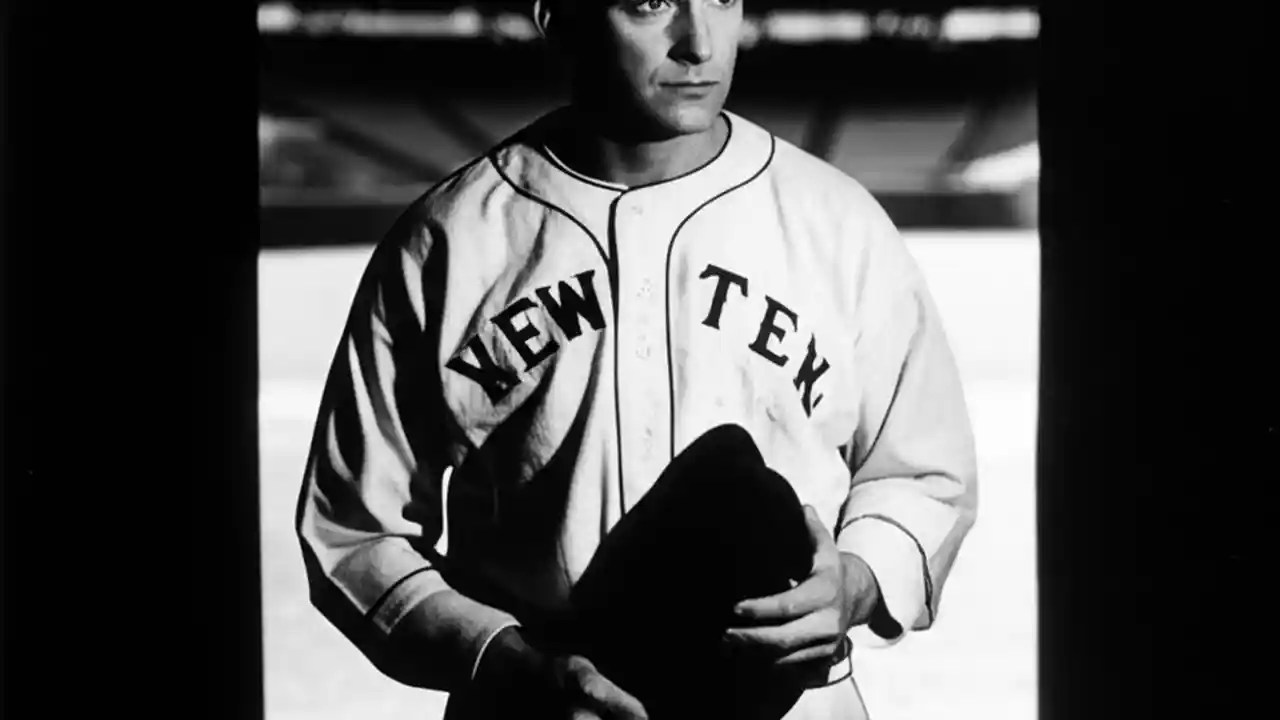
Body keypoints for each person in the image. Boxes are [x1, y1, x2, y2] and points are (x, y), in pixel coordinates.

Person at [295, 1, 978, 718]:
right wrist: (501, 656)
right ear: (558, 15)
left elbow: (923, 473)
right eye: (649, 4)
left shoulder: (839, 224)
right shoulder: (449, 240)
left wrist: (859, 581)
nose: (697, 42)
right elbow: (355, 531)